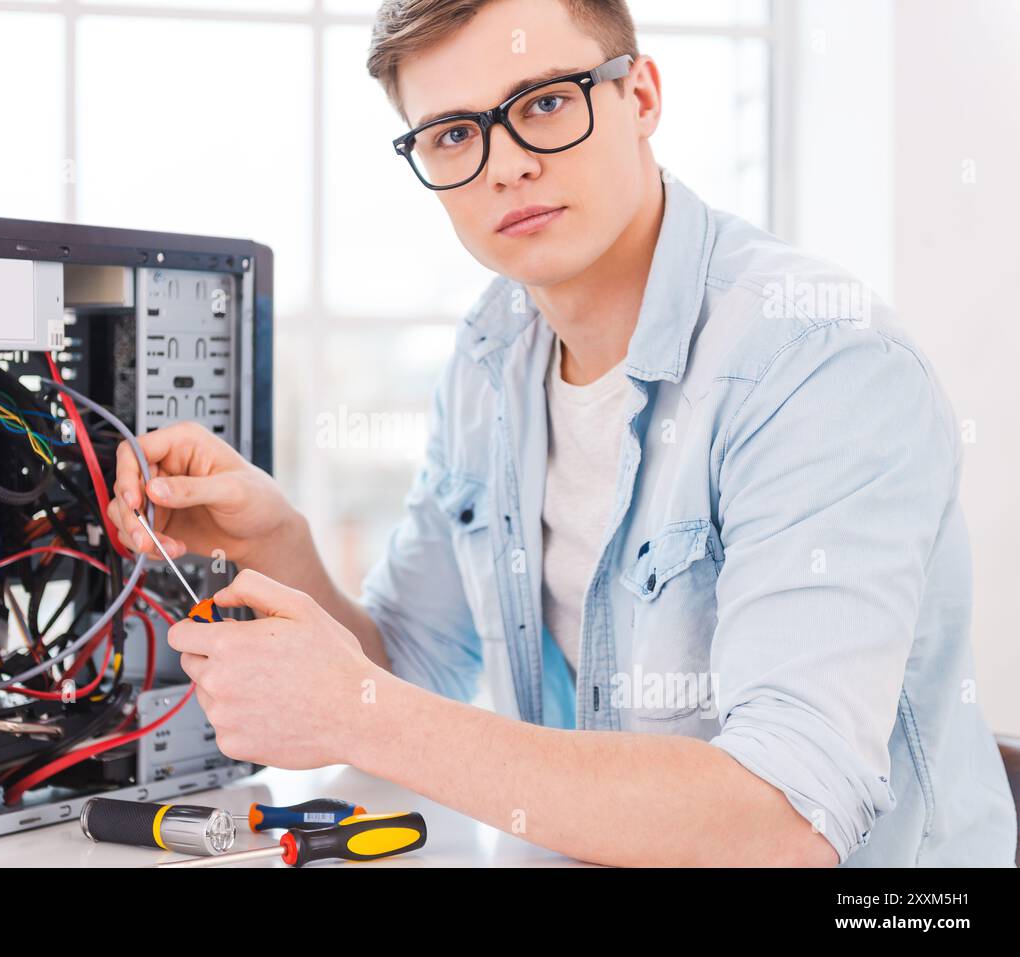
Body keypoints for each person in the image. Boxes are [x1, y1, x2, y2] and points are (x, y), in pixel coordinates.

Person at [108, 0, 1016, 866]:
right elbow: (409, 672)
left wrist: (364, 711)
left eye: (545, 103)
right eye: (454, 133)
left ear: (642, 96)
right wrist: (278, 540)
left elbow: (785, 817)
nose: (504, 166)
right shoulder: (491, 352)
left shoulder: (819, 363)